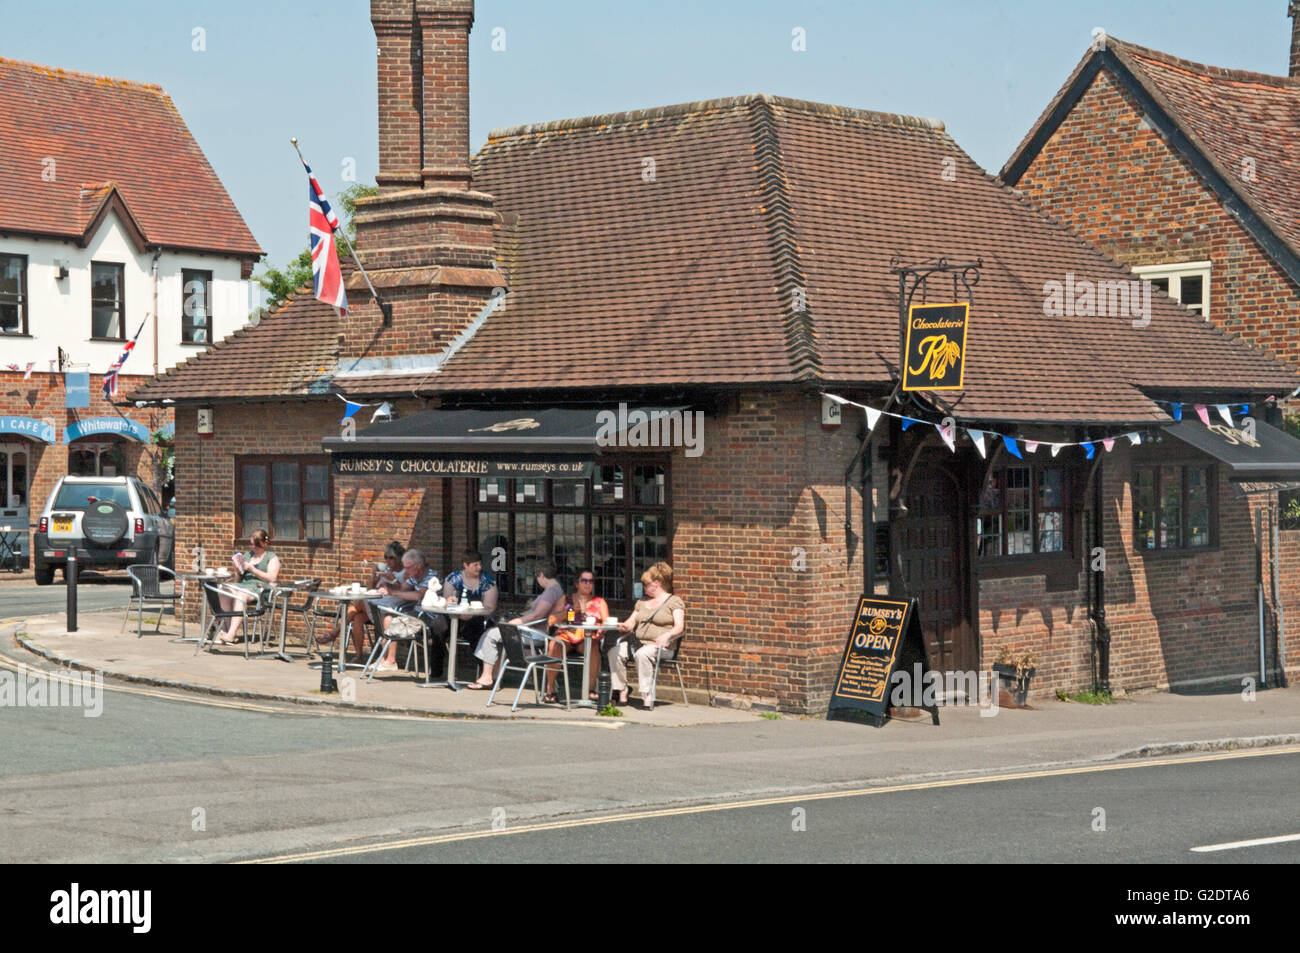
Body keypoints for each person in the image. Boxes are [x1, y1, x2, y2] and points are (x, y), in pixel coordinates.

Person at [466, 561, 563, 690]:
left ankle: (487, 677)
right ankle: (493, 676)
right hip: (532, 632)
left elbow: (537, 615)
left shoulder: (551, 592)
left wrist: (515, 622)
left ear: (541, 575)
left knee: (490, 635)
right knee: (495, 636)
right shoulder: (556, 590)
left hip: (534, 636)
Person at [609, 562, 684, 708]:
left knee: (643, 654)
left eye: (645, 584)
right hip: (638, 644)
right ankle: (622, 690)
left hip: (662, 647)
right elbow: (632, 622)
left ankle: (647, 695)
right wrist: (625, 626)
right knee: (614, 652)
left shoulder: (674, 601)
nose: (643, 587)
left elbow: (679, 626)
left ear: (656, 584)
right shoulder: (642, 602)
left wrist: (667, 635)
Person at [320, 541, 404, 660]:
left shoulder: (403, 573)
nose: (387, 561)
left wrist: (394, 580)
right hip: (376, 606)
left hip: (389, 609)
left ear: (399, 558)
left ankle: (335, 632)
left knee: (357, 604)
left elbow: (404, 590)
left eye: (391, 558)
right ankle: (358, 656)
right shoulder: (385, 571)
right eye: (386, 557)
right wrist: (373, 576)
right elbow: (370, 590)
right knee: (357, 618)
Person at [426, 548, 499, 675]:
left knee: (478, 632)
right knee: (438, 625)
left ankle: (486, 674)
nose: (479, 567)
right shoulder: (453, 579)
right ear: (465, 565)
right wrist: (454, 606)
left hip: (478, 617)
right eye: (475, 565)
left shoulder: (487, 581)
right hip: (453, 616)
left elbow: (490, 607)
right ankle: (436, 670)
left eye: (480, 564)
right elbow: (447, 602)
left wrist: (471, 615)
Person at [544, 569, 610, 702]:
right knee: (555, 645)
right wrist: (570, 611)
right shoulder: (566, 599)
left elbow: (607, 622)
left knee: (592, 646)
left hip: (587, 637)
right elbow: (551, 621)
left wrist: (602, 629)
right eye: (584, 581)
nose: (587, 584)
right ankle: (550, 689)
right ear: (577, 583)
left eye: (590, 581)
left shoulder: (599, 601)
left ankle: (590, 690)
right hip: (566, 635)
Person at [369, 549, 438, 673]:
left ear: (418, 566)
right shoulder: (414, 575)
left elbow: (418, 596)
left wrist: (393, 592)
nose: (405, 571)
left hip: (429, 617)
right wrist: (388, 584)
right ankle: (387, 659)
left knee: (390, 618)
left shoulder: (431, 576)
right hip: (416, 613)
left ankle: (390, 660)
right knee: (387, 614)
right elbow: (402, 587)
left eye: (408, 567)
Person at [215, 529, 280, 644]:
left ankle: (231, 634)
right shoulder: (247, 555)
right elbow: (238, 579)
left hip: (259, 587)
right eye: (251, 544)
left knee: (241, 595)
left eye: (256, 545)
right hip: (242, 584)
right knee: (224, 591)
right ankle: (226, 629)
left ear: (265, 544)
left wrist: (252, 569)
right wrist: (238, 571)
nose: (253, 547)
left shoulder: (271, 557)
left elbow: (272, 578)